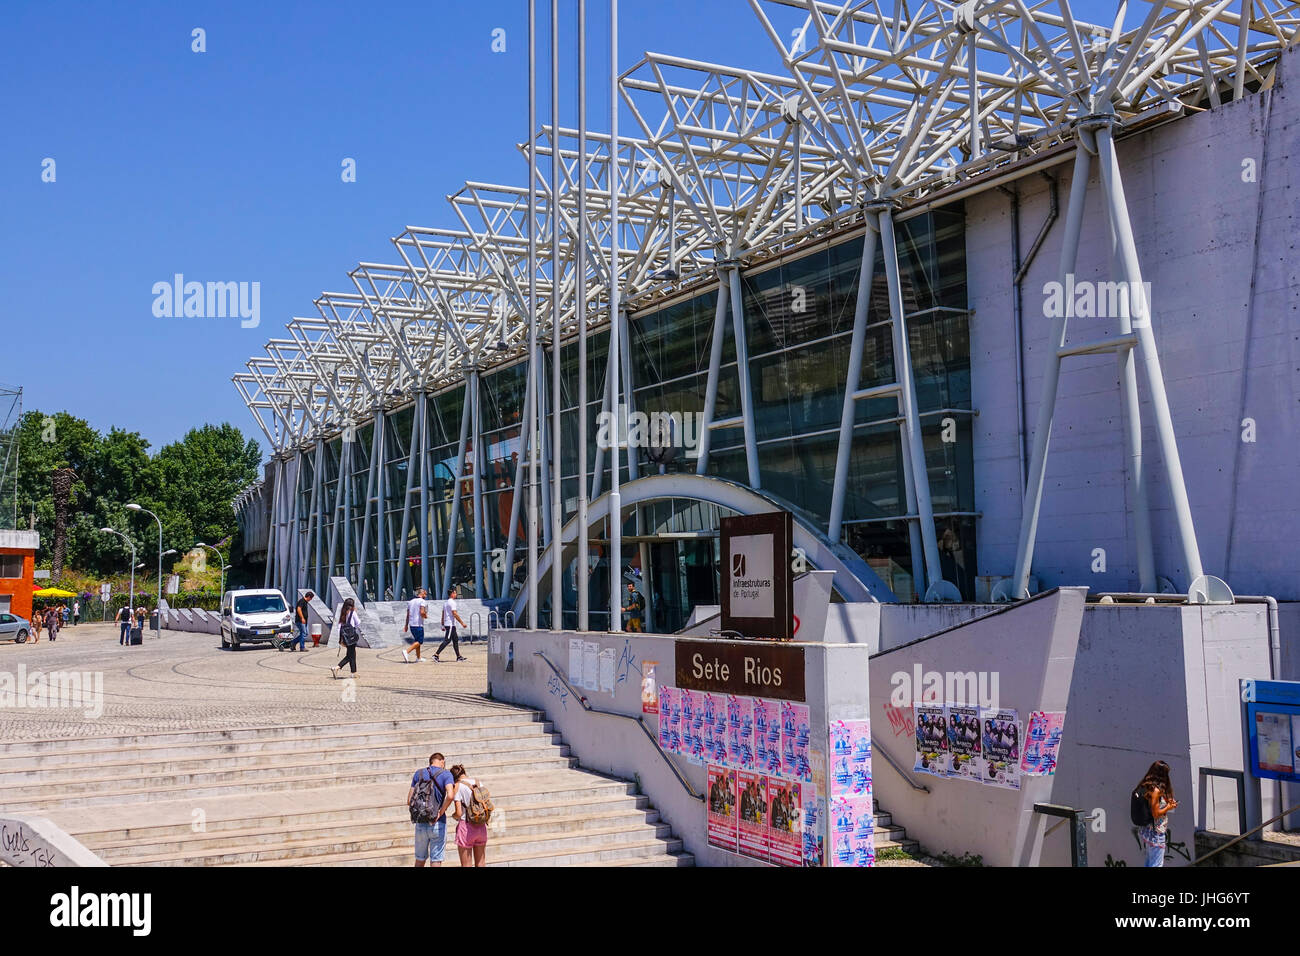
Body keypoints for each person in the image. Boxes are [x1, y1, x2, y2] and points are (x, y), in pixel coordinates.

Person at [406, 753, 455, 868]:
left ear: (431, 761)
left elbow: (409, 800)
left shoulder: (419, 773)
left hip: (420, 821)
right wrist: (441, 811)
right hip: (437, 822)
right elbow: (451, 795)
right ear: (442, 761)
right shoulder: (446, 774)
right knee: (436, 860)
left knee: (420, 859)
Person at [1135, 760, 1178, 867]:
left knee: (1150, 862)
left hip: (1148, 830)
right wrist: (1169, 807)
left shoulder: (1145, 785)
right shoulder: (1155, 790)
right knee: (1157, 864)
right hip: (1156, 832)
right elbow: (1156, 813)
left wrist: (1167, 803)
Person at [449, 763, 488, 867]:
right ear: (464, 772)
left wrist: (453, 816)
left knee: (466, 865)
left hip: (466, 827)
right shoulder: (478, 783)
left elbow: (459, 813)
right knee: (481, 863)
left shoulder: (458, 786)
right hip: (481, 826)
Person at [433, 586, 468, 663]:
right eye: (455, 593)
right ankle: (436, 655)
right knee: (447, 640)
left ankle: (458, 657)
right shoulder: (452, 603)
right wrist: (462, 623)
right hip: (450, 625)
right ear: (452, 593)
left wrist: (442, 624)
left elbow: (443, 614)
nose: (456, 594)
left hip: (449, 624)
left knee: (455, 640)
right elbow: (454, 614)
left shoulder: (446, 603)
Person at [331, 597, 362, 678]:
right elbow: (358, 622)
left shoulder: (343, 613)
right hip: (351, 636)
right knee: (350, 655)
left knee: (352, 654)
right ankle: (337, 667)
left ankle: (354, 673)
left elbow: (339, 626)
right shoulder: (352, 612)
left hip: (345, 637)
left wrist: (341, 639)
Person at [403, 588, 428, 663]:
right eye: (425, 594)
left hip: (411, 624)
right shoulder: (422, 601)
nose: (426, 595)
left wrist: (406, 625)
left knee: (417, 641)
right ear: (422, 593)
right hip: (418, 624)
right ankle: (407, 651)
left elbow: (408, 614)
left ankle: (418, 657)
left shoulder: (410, 602)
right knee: (420, 641)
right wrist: (425, 616)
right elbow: (422, 612)